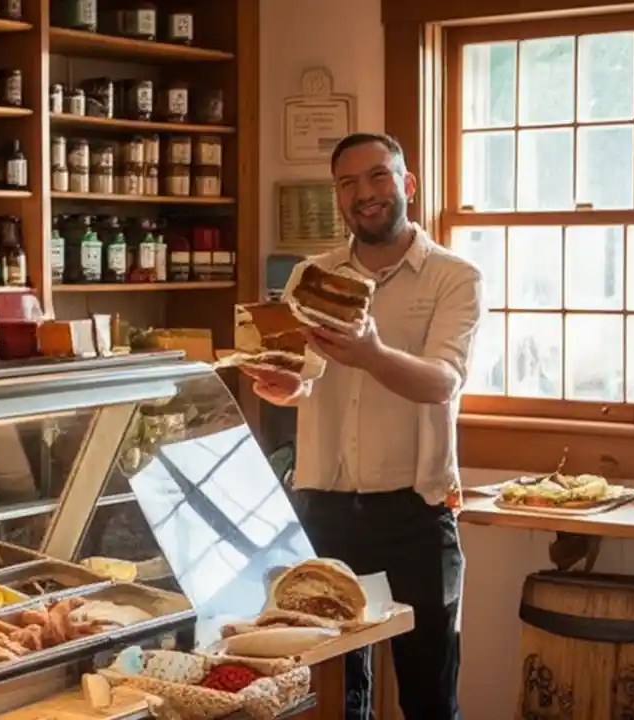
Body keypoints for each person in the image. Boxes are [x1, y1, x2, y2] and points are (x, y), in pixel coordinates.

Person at [249, 132, 482, 719]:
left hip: (417, 517)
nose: (364, 193)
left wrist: (373, 352)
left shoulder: (454, 277)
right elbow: (315, 375)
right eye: (348, 183)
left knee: (429, 695)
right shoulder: (311, 273)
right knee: (332, 697)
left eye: (377, 176)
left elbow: (443, 383)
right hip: (323, 513)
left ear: (407, 184)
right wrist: (290, 386)